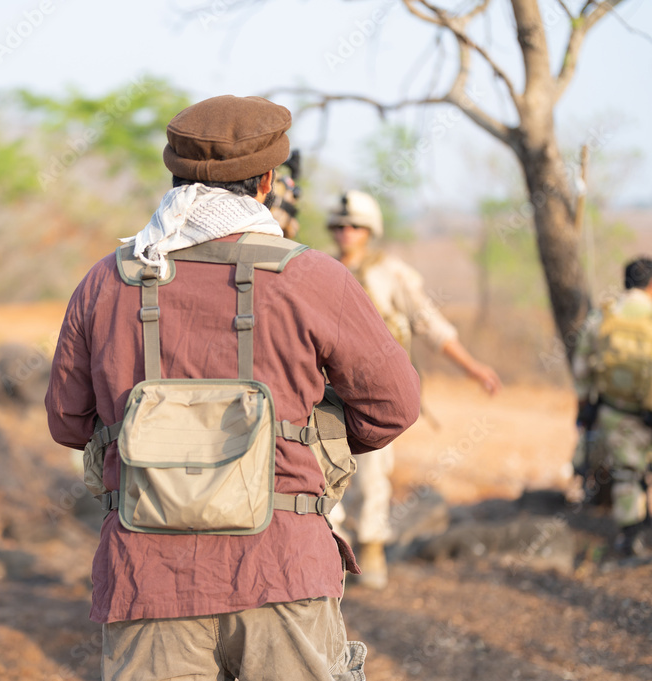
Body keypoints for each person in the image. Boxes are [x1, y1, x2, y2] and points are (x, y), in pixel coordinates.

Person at [46, 95, 421, 681]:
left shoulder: (106, 281)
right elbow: (394, 407)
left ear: (174, 177)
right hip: (284, 568)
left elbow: (67, 422)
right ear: (268, 182)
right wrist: (303, 438)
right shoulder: (313, 276)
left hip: (148, 578)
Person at [325, 189, 502, 588]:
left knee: (371, 476)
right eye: (339, 226)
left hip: (370, 396)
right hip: (323, 393)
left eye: (354, 226)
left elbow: (428, 323)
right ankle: (332, 561)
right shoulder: (320, 269)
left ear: (370, 230)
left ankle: (371, 554)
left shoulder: (392, 273)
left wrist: (473, 369)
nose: (346, 233)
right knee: (323, 472)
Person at [572, 257, 652, 557]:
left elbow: (582, 368)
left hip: (616, 411)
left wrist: (584, 406)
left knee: (626, 474)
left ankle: (632, 538)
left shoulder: (604, 317)